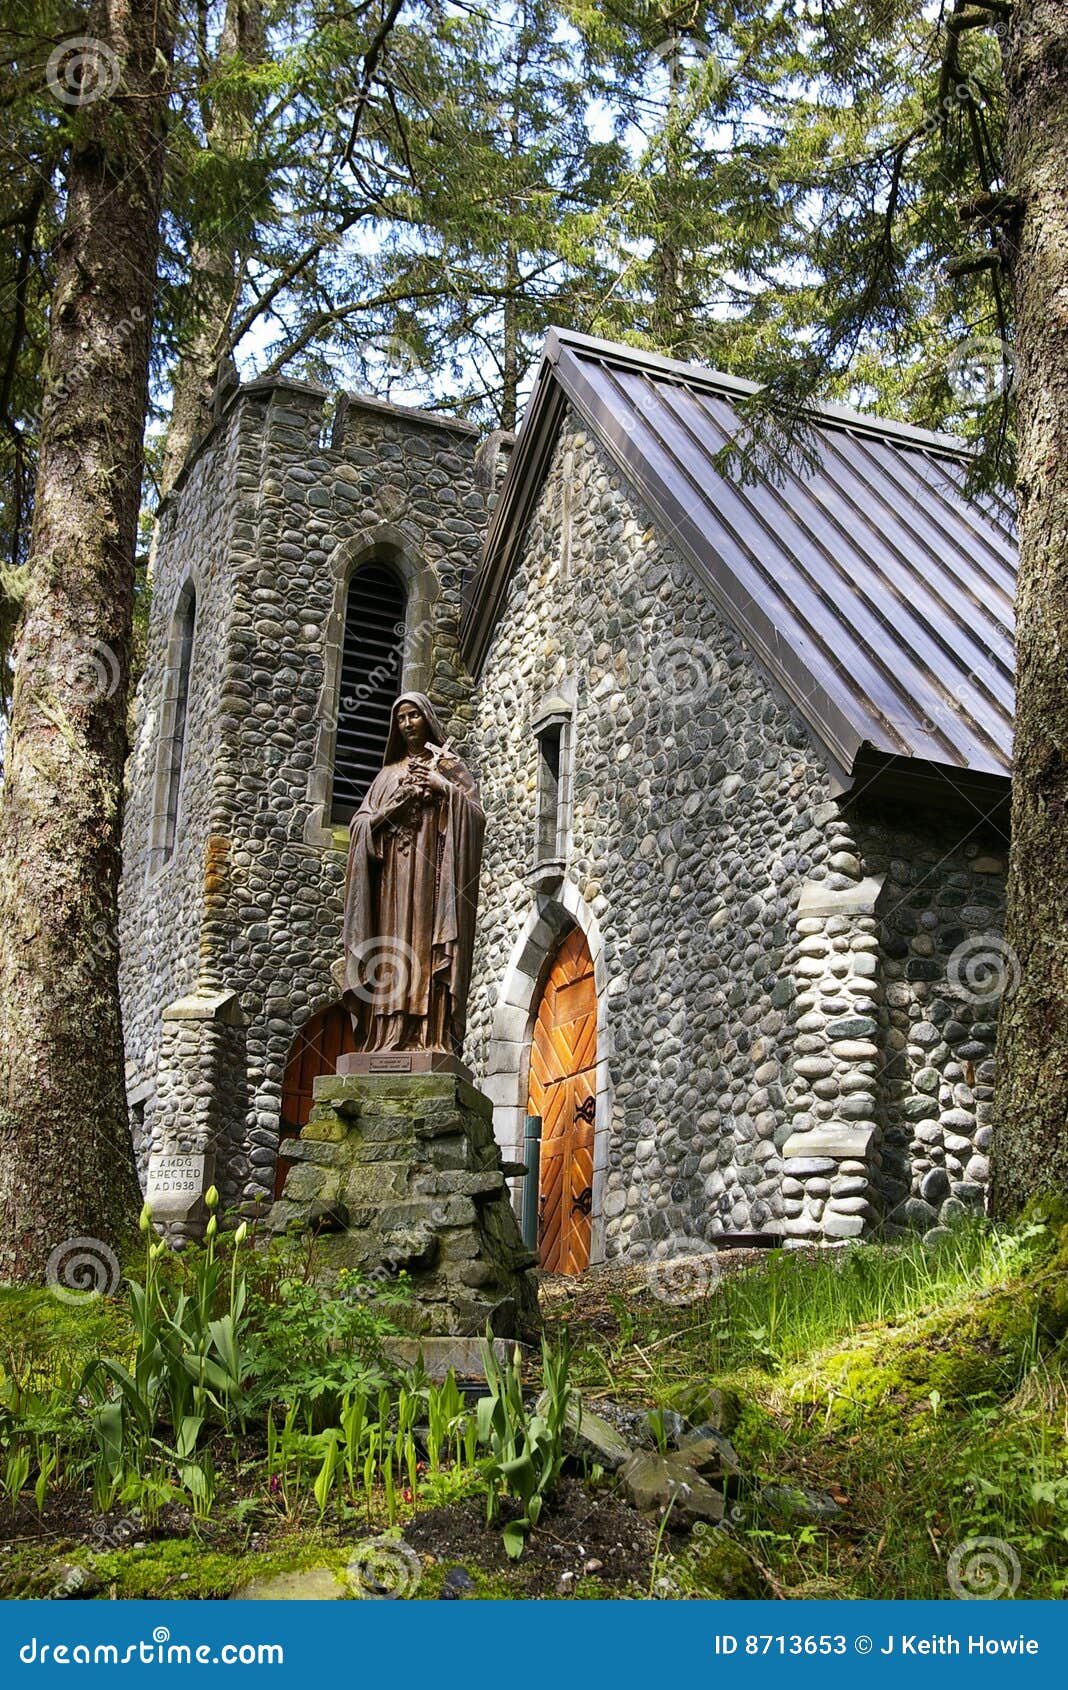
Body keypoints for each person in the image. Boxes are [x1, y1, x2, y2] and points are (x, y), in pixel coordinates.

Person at [342, 692, 485, 1055]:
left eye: (414, 716)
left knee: (425, 946)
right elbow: (361, 825)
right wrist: (392, 809)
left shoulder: (449, 767)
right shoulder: (387, 776)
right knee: (390, 950)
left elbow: (475, 817)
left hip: (432, 882)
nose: (407, 724)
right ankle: (387, 1036)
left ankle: (429, 1035)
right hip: (391, 884)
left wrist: (443, 789)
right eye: (401, 718)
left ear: (427, 720)